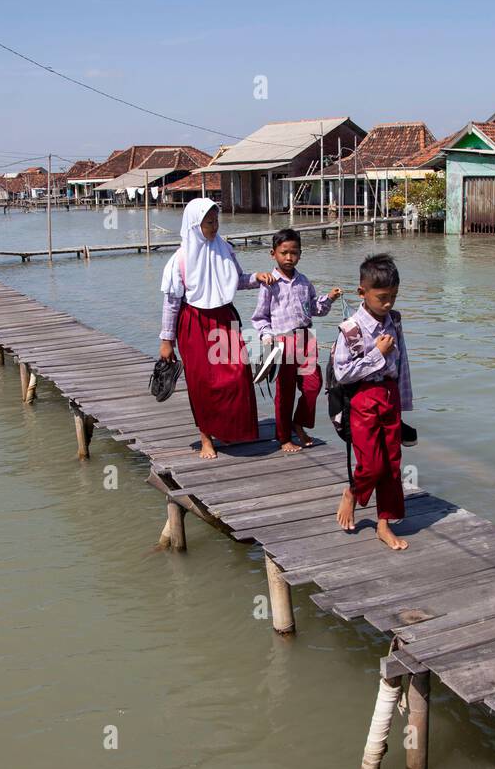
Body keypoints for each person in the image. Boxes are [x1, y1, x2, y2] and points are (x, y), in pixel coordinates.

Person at [158, 198, 275, 459]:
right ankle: (206, 437)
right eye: (208, 222)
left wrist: (258, 277)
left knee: (237, 376)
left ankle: (229, 428)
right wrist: (167, 340)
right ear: (194, 225)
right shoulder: (180, 260)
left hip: (224, 319)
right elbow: (172, 301)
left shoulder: (224, 249)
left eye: (216, 221)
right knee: (202, 383)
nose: (214, 226)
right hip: (194, 322)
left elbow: (237, 281)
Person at [332, 253, 413, 550]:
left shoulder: (395, 321)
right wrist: (376, 354)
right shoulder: (351, 329)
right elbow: (343, 373)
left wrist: (404, 404)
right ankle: (353, 492)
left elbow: (402, 363)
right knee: (371, 464)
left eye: (393, 296)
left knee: (392, 463)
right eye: (382, 297)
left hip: (390, 396)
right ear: (362, 293)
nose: (388, 303)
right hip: (363, 399)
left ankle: (384, 524)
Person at [251, 229, 342, 452]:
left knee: (314, 385)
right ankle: (284, 437)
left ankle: (298, 422)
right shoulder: (269, 283)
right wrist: (267, 336)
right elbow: (260, 317)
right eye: (284, 253)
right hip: (281, 343)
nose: (289, 258)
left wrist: (329, 298)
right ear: (273, 254)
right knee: (285, 392)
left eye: (294, 253)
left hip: (305, 339)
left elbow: (314, 309)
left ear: (300, 254)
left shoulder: (303, 282)